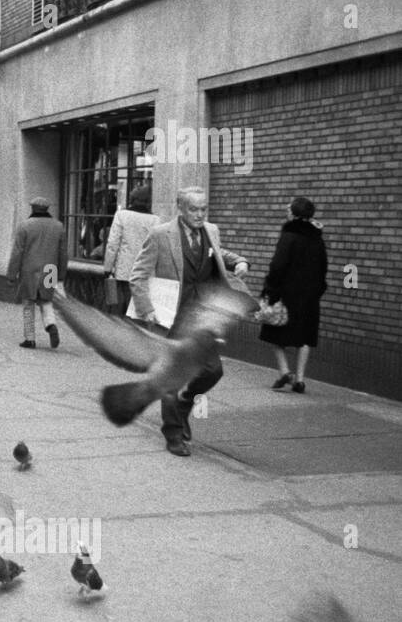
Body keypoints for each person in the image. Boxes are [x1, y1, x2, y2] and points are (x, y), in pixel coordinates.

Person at [130, 186, 251, 457]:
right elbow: (138, 275)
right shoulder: (160, 234)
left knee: (213, 371)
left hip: (203, 317)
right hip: (170, 316)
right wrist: (146, 309)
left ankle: (185, 404)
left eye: (203, 209)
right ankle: (173, 434)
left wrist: (240, 261)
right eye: (194, 209)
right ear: (181, 209)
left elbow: (218, 253)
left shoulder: (211, 230)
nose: (199, 214)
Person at [260, 197, 328, 394]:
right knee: (305, 335)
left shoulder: (288, 236)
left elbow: (277, 266)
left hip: (287, 294)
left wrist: (270, 290)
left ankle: (284, 372)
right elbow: (323, 267)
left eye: (288, 206)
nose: (285, 208)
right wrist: (318, 289)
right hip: (310, 297)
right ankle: (299, 380)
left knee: (274, 330)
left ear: (295, 213)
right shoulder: (317, 238)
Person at [7, 197, 66, 350]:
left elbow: (17, 252)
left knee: (28, 305)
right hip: (51, 270)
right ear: (47, 209)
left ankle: (30, 339)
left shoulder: (25, 226)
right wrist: (61, 275)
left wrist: (11, 275)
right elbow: (63, 253)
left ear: (32, 208)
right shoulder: (59, 226)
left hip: (29, 270)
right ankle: (51, 325)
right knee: (46, 302)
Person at [103, 185, 158, 314]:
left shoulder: (122, 216)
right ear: (147, 201)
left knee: (123, 303)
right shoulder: (155, 220)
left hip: (124, 270)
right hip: (146, 271)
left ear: (132, 199)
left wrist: (108, 268)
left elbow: (112, 244)